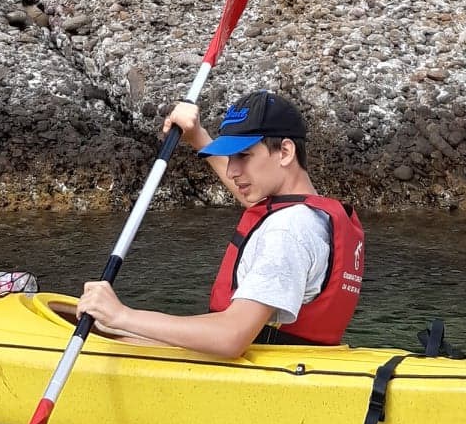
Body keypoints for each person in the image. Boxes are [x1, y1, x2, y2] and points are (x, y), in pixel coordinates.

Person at [75, 89, 365, 358]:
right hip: (297, 363)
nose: (232, 169)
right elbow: (254, 202)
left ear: (285, 152)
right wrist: (197, 136)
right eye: (230, 156)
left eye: (244, 155)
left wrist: (121, 315)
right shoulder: (306, 215)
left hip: (264, 378)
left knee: (117, 330)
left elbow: (231, 337)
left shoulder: (288, 230)